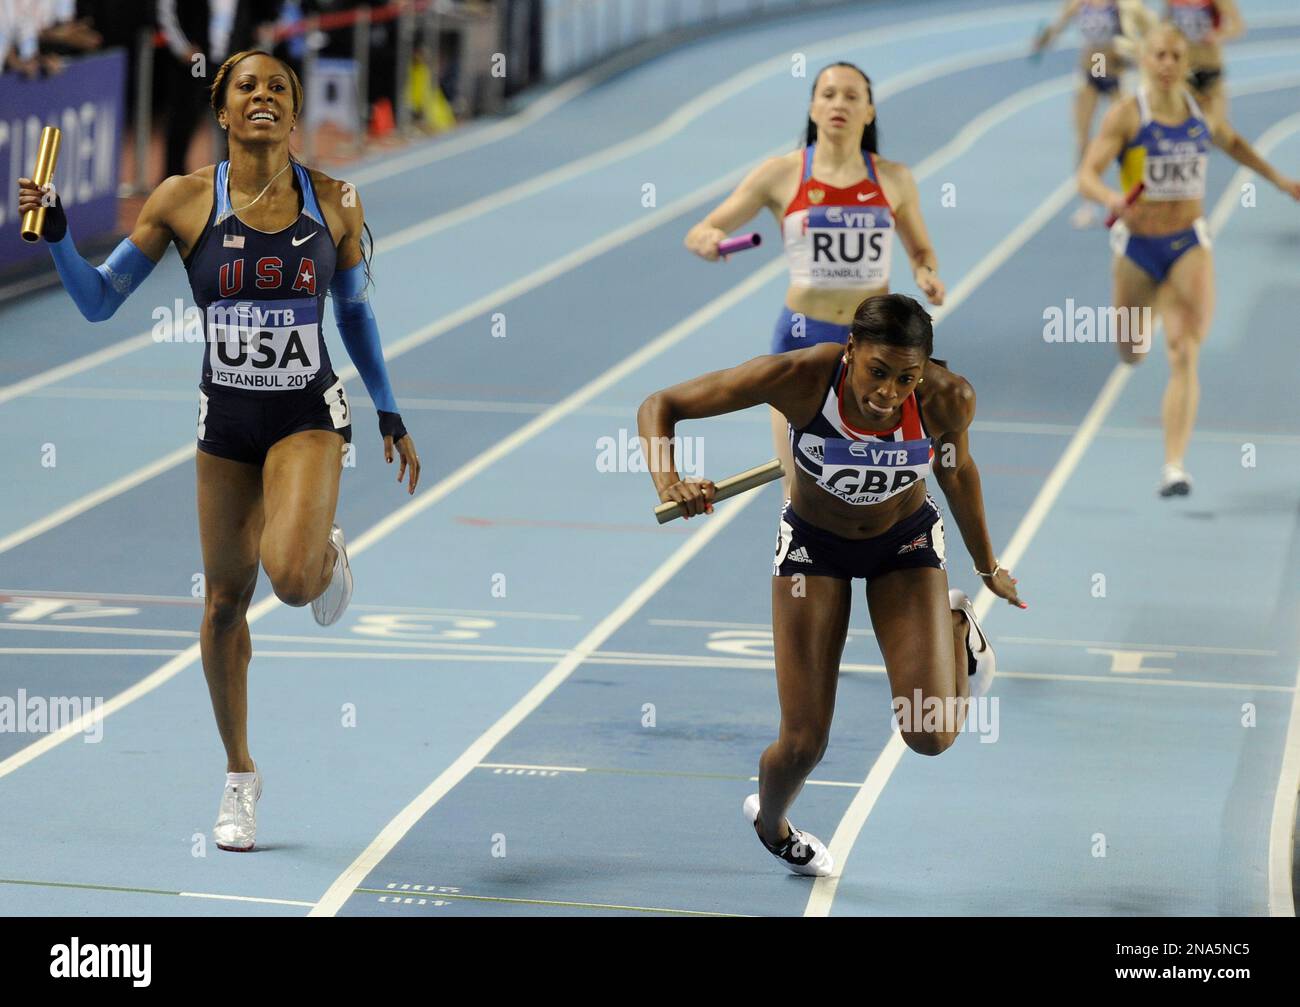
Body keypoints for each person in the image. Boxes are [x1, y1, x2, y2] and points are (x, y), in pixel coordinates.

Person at [17, 49, 421, 852]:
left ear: (295, 114)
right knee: (221, 606)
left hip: (307, 413)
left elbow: (355, 316)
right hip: (227, 426)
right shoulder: (180, 202)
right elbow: (99, 303)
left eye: (280, 87)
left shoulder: (336, 202)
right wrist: (60, 235)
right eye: (249, 87)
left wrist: (388, 407)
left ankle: (317, 548)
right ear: (223, 109)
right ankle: (240, 774)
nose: (264, 96)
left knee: (294, 579)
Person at [637, 294, 1022, 875]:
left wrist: (988, 567)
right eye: (877, 372)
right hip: (814, 548)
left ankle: (955, 624)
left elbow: (956, 471)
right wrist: (669, 481)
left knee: (929, 733)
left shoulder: (948, 398)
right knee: (801, 744)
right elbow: (660, 405)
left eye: (906, 378)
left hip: (904, 545)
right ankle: (772, 826)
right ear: (850, 352)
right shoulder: (799, 378)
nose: (889, 392)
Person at [684, 62, 945, 497]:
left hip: (872, 345)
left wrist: (926, 273)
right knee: (800, 486)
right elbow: (701, 230)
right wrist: (709, 239)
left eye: (850, 95)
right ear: (812, 108)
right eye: (827, 95)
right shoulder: (780, 174)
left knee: (879, 483)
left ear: (869, 111)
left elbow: (921, 250)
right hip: (802, 338)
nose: (838, 103)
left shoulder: (894, 178)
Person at [1077, 21, 1300, 496]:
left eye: (1176, 57)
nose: (1167, 65)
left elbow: (1235, 144)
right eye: (1159, 55)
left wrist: (1279, 180)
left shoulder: (1201, 113)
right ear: (1144, 59)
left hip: (1188, 245)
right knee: (1132, 352)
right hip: (1137, 249)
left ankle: (1174, 467)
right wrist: (1111, 200)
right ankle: (1155, 308)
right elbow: (1087, 175)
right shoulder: (1126, 116)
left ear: (1186, 63)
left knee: (1183, 352)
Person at [1165, 0, 1243, 126]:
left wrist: (1218, 35)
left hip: (1210, 66)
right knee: (1180, 123)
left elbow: (1238, 26)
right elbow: (1164, 23)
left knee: (1217, 127)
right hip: (1184, 69)